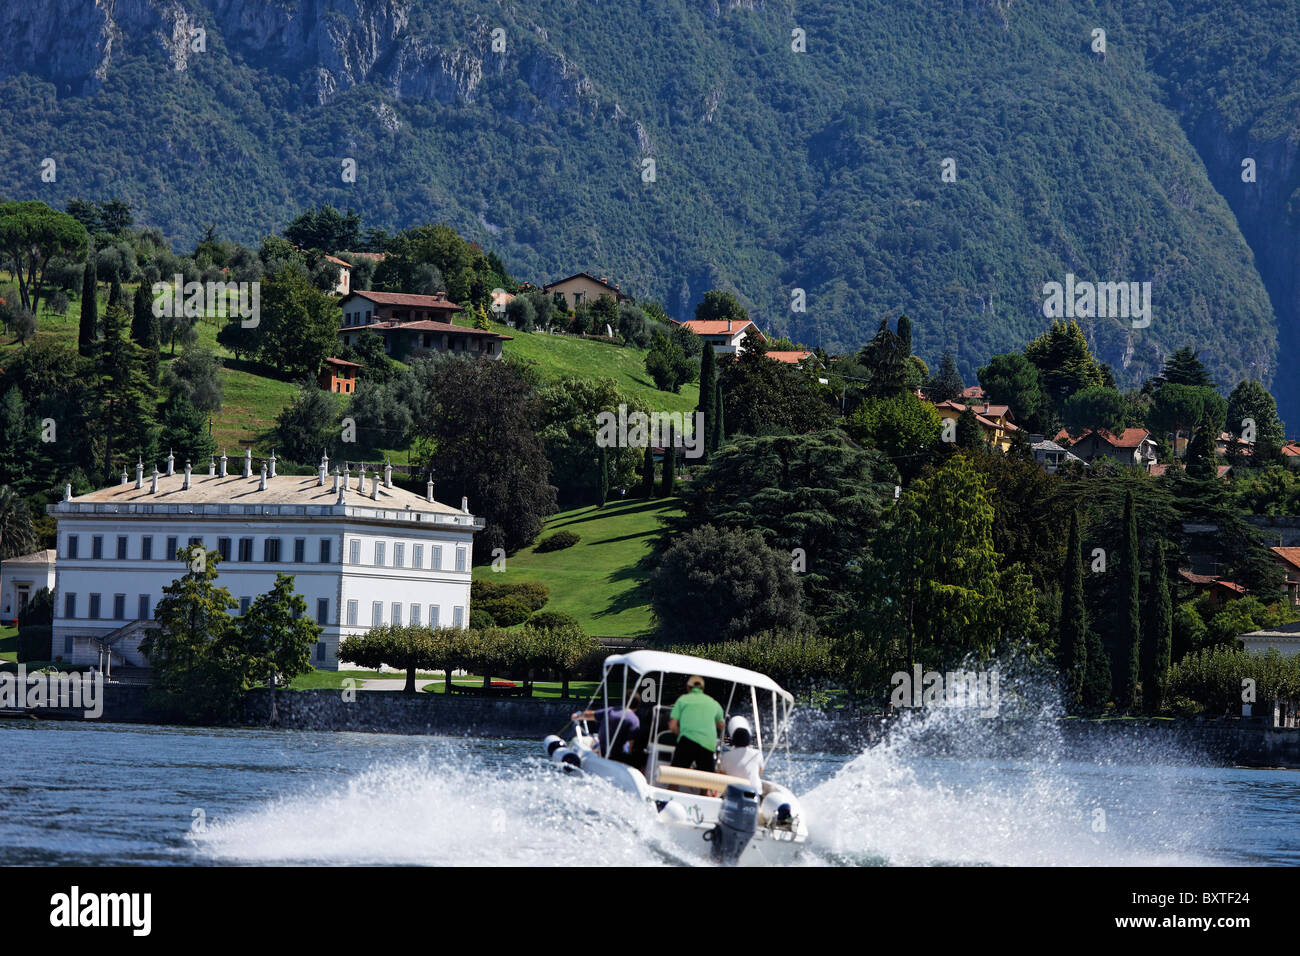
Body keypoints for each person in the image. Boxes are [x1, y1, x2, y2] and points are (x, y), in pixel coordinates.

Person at [668, 675, 725, 772]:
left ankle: (673, 786)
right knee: (706, 783)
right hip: (707, 744)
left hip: (687, 741)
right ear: (703, 688)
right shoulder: (714, 703)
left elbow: (672, 726)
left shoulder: (682, 700)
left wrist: (682, 733)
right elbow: (722, 725)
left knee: (675, 778)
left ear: (687, 687)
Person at [571, 695, 641, 761]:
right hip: (619, 756)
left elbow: (588, 715)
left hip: (602, 752)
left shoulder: (611, 711)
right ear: (637, 706)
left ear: (624, 700)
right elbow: (631, 744)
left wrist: (577, 716)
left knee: (577, 740)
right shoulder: (635, 720)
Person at [717, 715, 763, 791]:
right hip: (755, 791)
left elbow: (722, 776)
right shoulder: (757, 754)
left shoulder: (726, 756)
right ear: (749, 741)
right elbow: (759, 773)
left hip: (733, 792)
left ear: (733, 741)